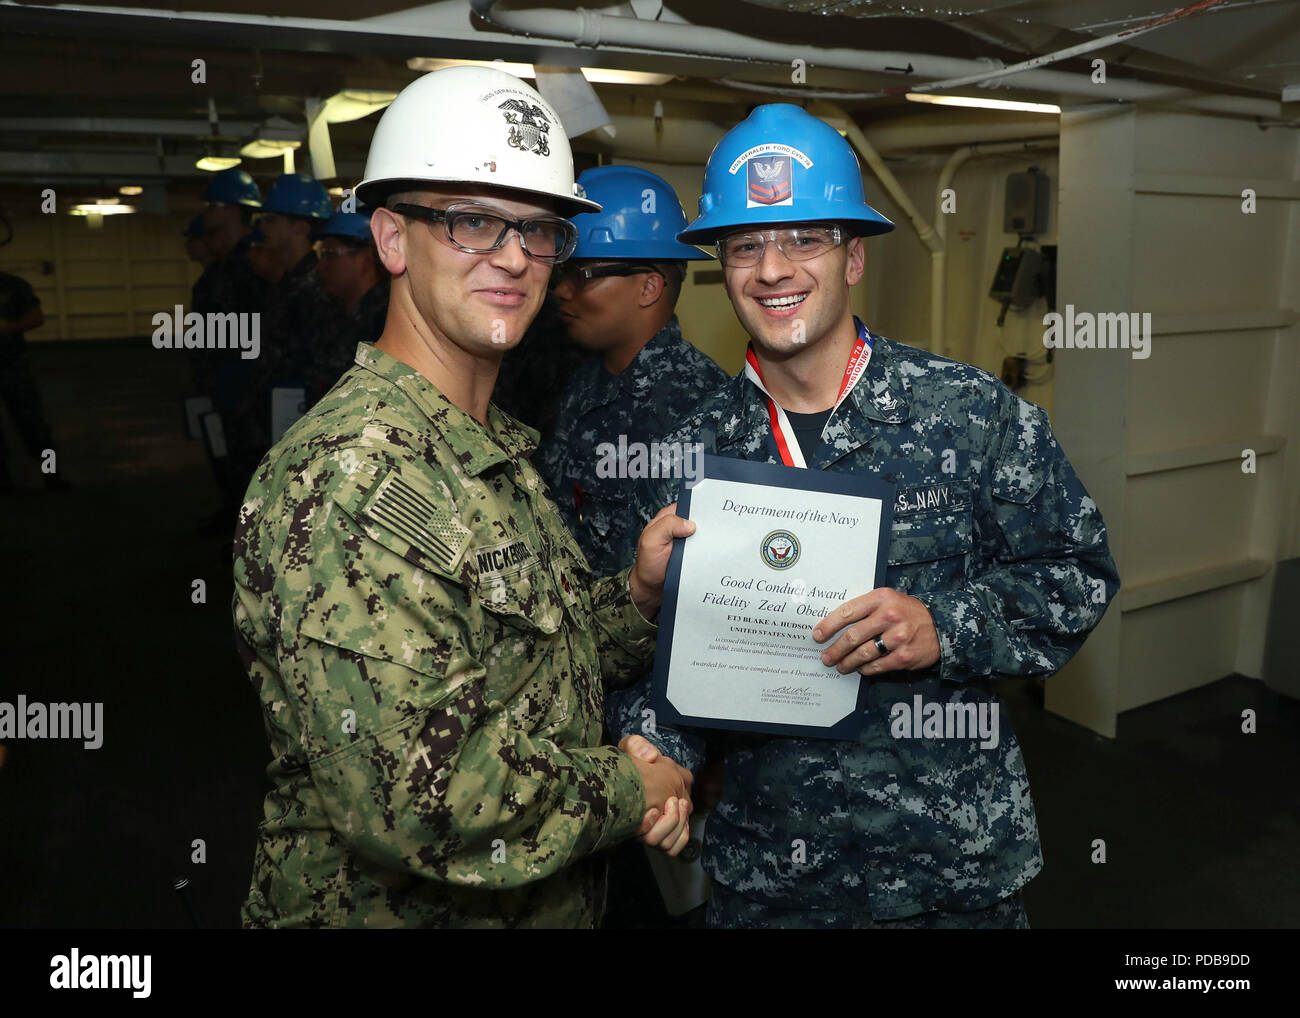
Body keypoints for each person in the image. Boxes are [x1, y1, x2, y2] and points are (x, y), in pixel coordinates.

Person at [614, 103, 1122, 929]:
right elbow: (661, 658)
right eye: (746, 245)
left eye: (803, 239)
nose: (773, 269)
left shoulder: (968, 414)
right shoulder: (688, 454)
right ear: (722, 265)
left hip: (952, 872)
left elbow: (1076, 573)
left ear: (852, 257)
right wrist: (654, 748)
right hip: (773, 876)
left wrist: (945, 625)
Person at [233, 66, 696, 929]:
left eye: (538, 229)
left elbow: (524, 659)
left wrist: (634, 599)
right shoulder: (353, 475)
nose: (517, 257)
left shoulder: (488, 446)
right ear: (394, 239)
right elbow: (421, 794)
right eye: (472, 221)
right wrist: (636, 784)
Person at [536, 164, 726, 577]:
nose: (561, 290)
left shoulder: (706, 409)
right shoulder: (582, 382)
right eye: (561, 272)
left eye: (582, 274)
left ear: (649, 287)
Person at [191, 168, 270, 532]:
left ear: (231, 209)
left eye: (213, 205)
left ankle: (255, 537)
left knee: (254, 467)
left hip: (249, 391)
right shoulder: (224, 267)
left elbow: (263, 335)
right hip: (224, 385)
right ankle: (236, 523)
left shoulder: (254, 264)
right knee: (230, 459)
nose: (207, 213)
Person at [308, 209, 389, 408]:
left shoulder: (386, 322)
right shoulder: (330, 313)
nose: (321, 266)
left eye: (330, 254)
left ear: (366, 258)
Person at [0, 269, 67, 493]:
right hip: (14, 366)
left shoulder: (13, 285)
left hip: (13, 367)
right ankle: (3, 481)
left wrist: (9, 328)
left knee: (34, 427)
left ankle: (52, 474)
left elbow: (37, 317)